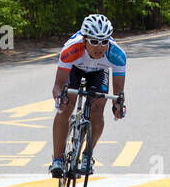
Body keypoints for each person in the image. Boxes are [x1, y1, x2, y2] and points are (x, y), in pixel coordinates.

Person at [49, 13, 126, 178]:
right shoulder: (71, 49)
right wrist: (59, 98)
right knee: (65, 107)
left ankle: (87, 155)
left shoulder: (117, 54)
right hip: (74, 70)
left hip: (98, 73)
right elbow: (58, 86)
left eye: (104, 41)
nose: (100, 47)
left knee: (97, 109)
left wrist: (118, 106)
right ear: (84, 40)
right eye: (94, 41)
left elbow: (119, 93)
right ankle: (57, 159)